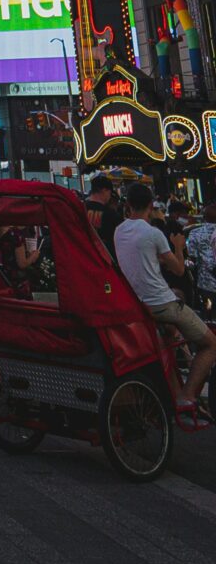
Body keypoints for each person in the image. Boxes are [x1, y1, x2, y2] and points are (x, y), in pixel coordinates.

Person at [114, 180, 216, 422]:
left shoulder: (120, 230)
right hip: (163, 303)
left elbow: (141, 260)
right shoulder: (153, 233)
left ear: (127, 205)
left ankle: (175, 392)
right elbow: (179, 270)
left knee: (169, 339)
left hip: (137, 302)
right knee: (211, 344)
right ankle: (188, 395)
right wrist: (179, 246)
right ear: (151, 205)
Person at [185, 195, 216, 316]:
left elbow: (191, 257)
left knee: (209, 314)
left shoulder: (195, 233)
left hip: (206, 284)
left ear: (204, 218)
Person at [86, 173, 121, 256]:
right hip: (105, 257)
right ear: (104, 190)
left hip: (85, 255)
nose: (109, 196)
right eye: (109, 192)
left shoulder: (81, 209)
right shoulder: (110, 214)